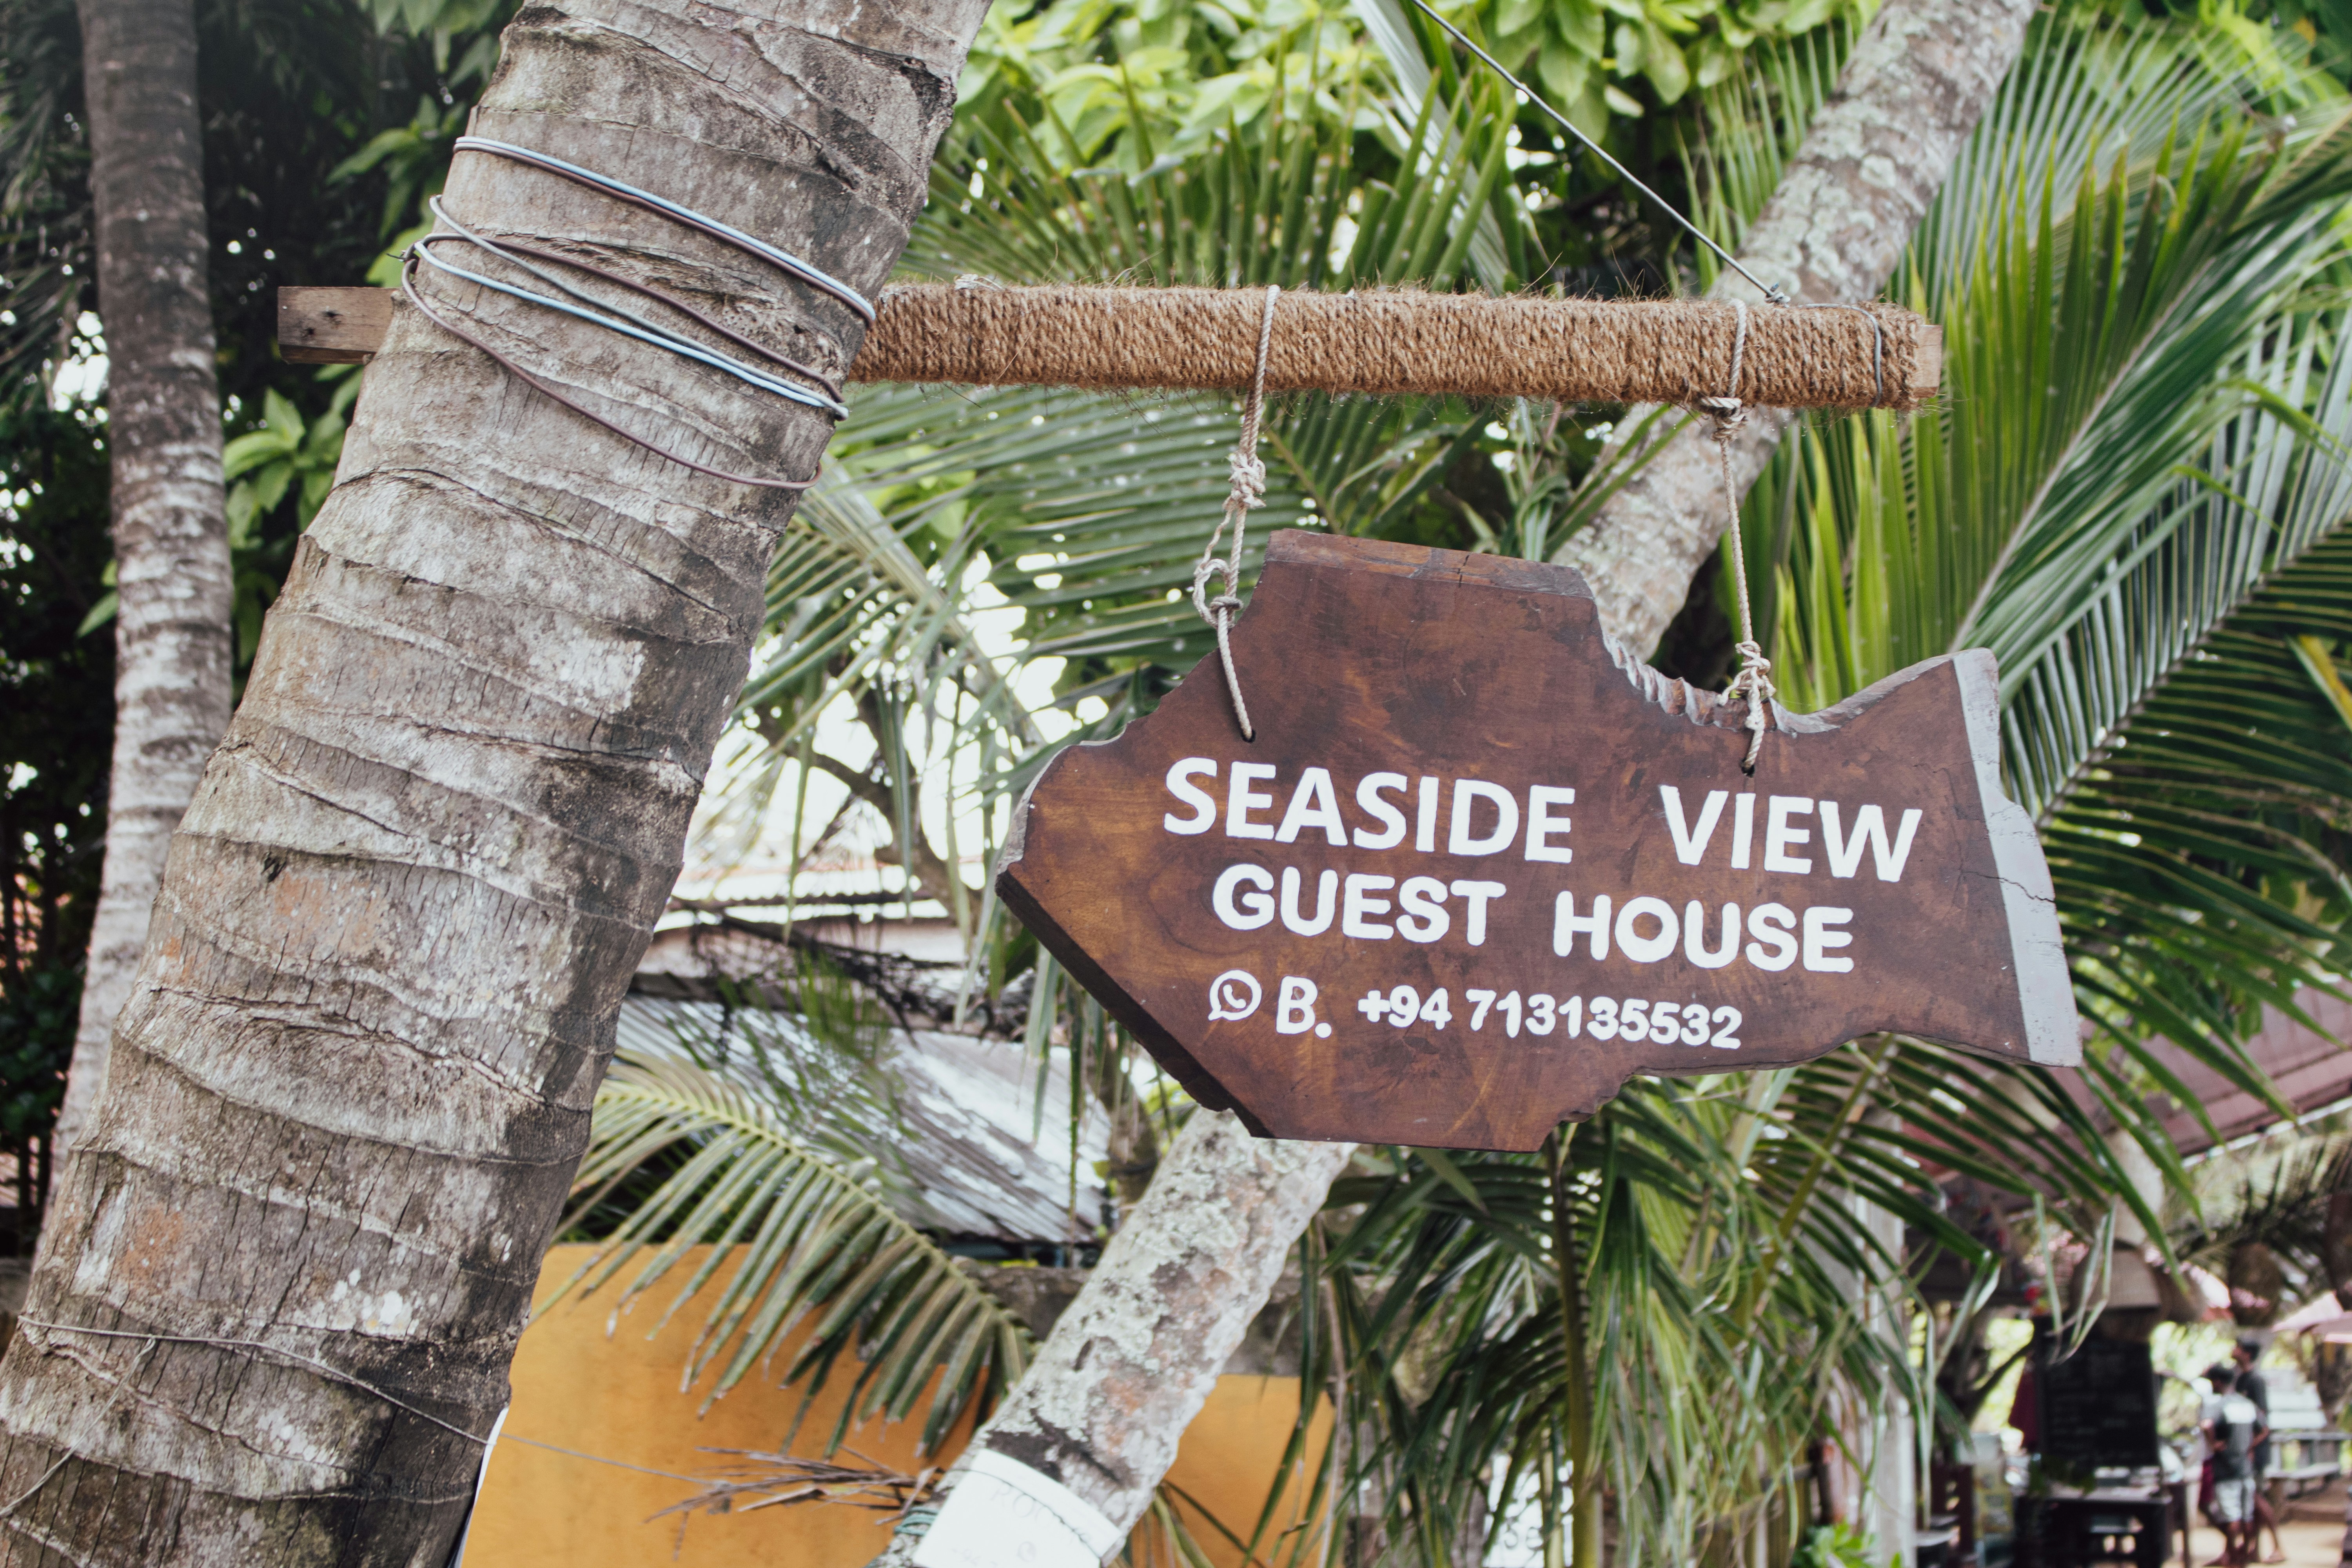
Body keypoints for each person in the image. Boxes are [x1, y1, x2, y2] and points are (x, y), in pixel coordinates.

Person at [2203, 1365, 2270, 1568]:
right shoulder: (2247, 1404)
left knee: (2232, 1517)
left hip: (2226, 1469)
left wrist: (2213, 1444)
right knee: (2247, 1516)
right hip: (2245, 1468)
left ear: (2218, 1382)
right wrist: (2249, 1445)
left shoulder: (2220, 1405)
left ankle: (2232, 1558)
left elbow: (2206, 1425)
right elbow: (2264, 1429)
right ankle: (2242, 1560)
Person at [2233, 1337, 2288, 1564]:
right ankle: (2253, 1549)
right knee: (2250, 1500)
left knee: (2256, 1498)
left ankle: (2278, 1546)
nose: (2233, 1350)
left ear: (2246, 1354)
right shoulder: (2241, 1380)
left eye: (2238, 1347)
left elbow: (2263, 1424)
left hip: (2255, 1452)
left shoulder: (2255, 1381)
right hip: (2246, 1450)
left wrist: (2250, 1447)